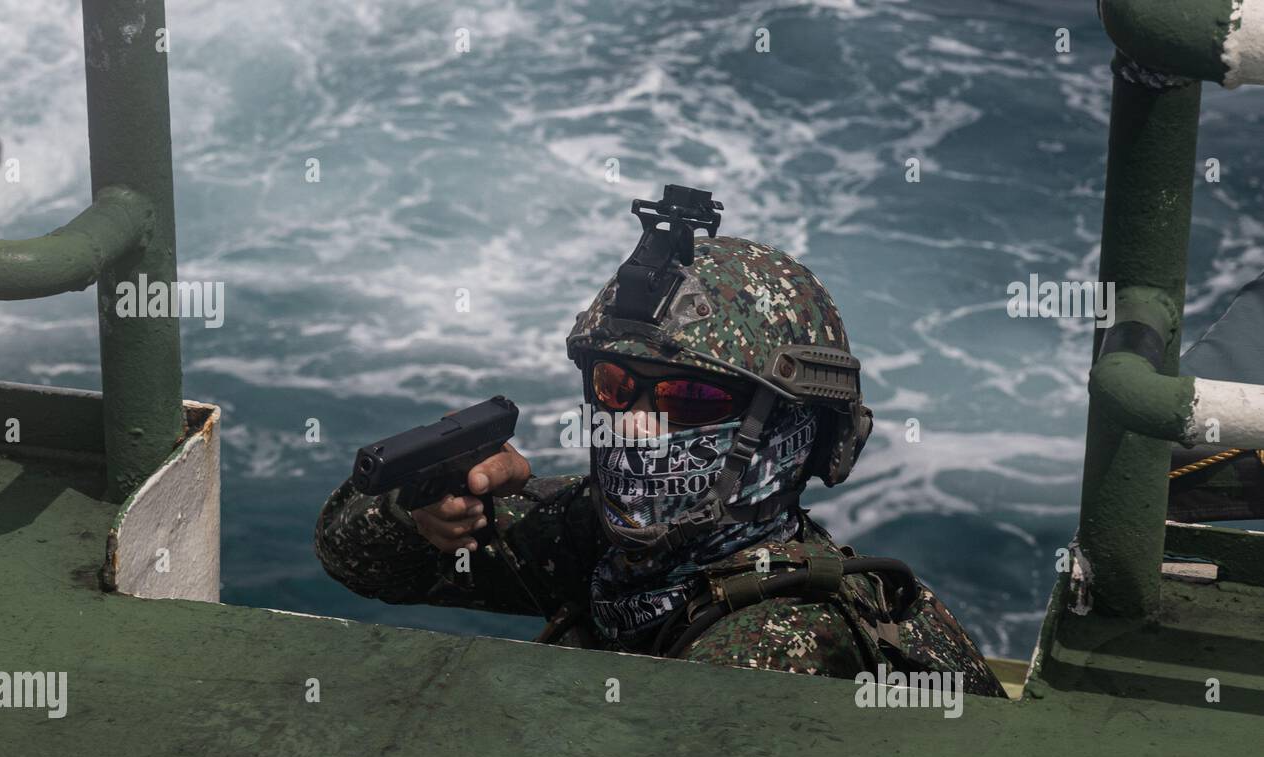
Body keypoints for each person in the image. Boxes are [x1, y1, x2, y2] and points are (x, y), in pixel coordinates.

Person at [314, 185, 1007, 697]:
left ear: (798, 429)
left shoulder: (778, 648)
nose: (637, 424)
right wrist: (426, 504)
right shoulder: (624, 549)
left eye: (690, 398)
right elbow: (360, 559)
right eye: (616, 385)